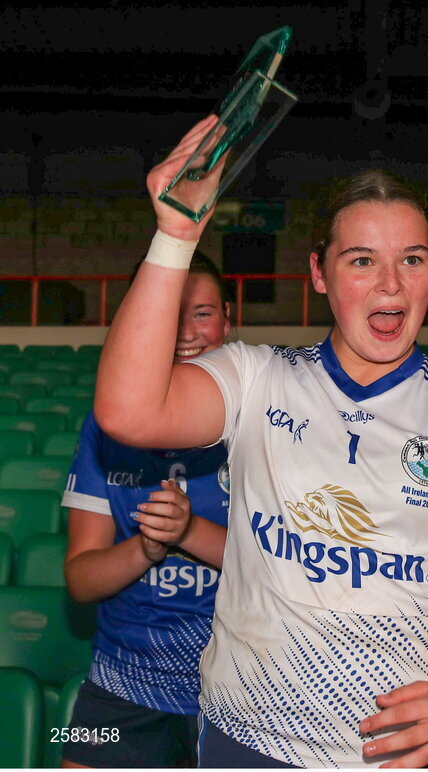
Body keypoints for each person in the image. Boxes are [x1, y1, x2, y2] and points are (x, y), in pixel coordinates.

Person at [93, 115, 428, 769]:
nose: (390, 283)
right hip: (250, 745)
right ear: (319, 274)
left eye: (411, 260)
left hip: (414, 756)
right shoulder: (257, 378)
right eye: (361, 260)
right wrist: (175, 235)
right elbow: (128, 412)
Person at [60, 253, 231, 767]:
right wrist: (145, 548)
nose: (185, 332)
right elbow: (81, 580)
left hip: (239, 684)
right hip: (125, 683)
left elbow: (286, 566)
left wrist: (188, 530)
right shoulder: (103, 427)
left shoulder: (268, 420)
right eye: (169, 314)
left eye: (201, 313)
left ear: (228, 319)